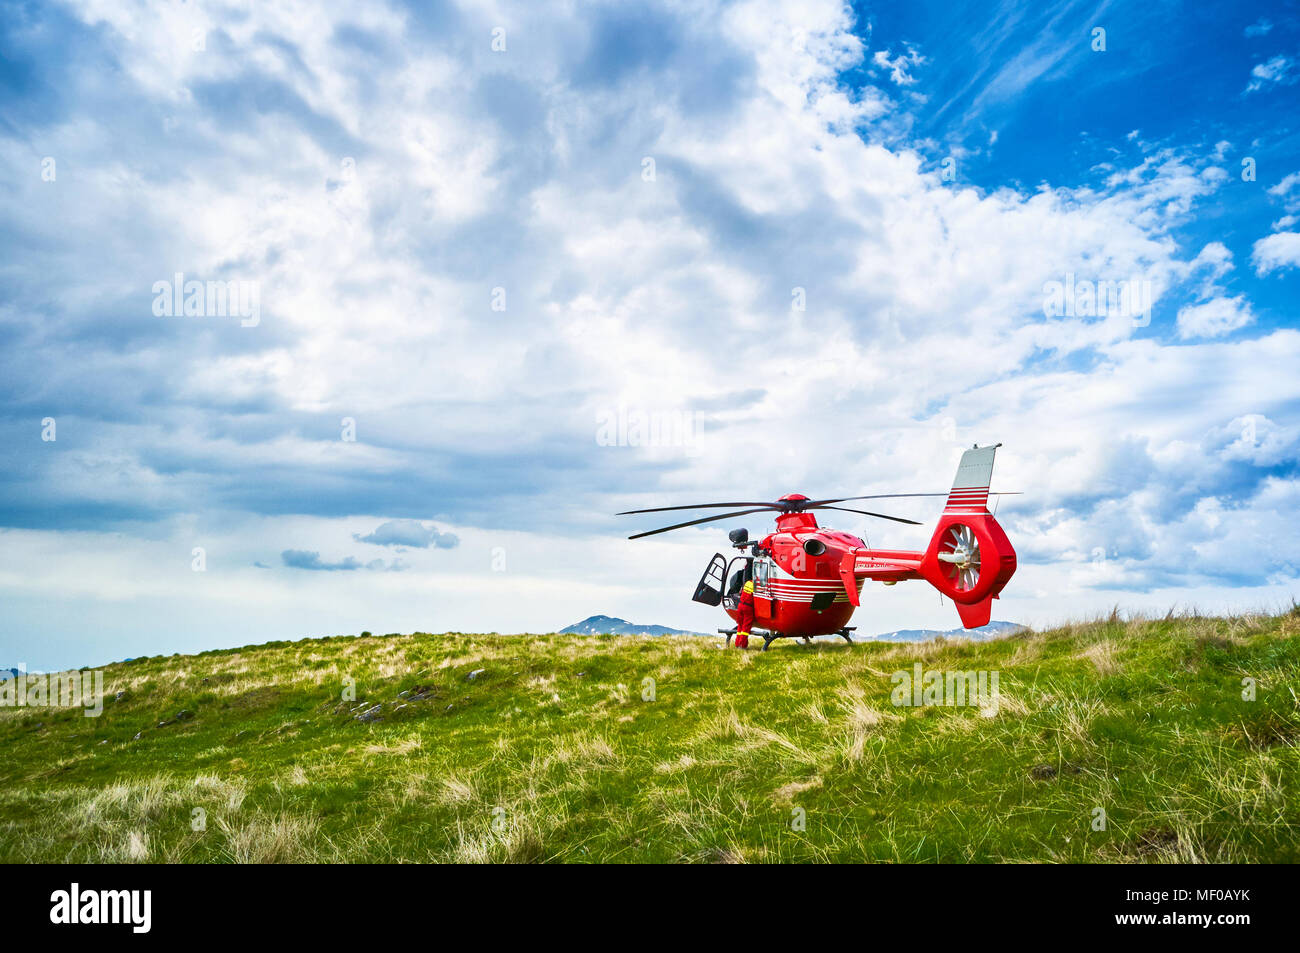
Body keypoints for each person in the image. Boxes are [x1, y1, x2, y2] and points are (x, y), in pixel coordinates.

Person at [735, 579, 755, 649]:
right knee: (746, 628)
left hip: (740, 606)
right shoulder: (756, 584)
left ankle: (737, 644)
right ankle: (742, 645)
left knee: (740, 625)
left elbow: (741, 593)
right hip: (748, 607)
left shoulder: (747, 583)